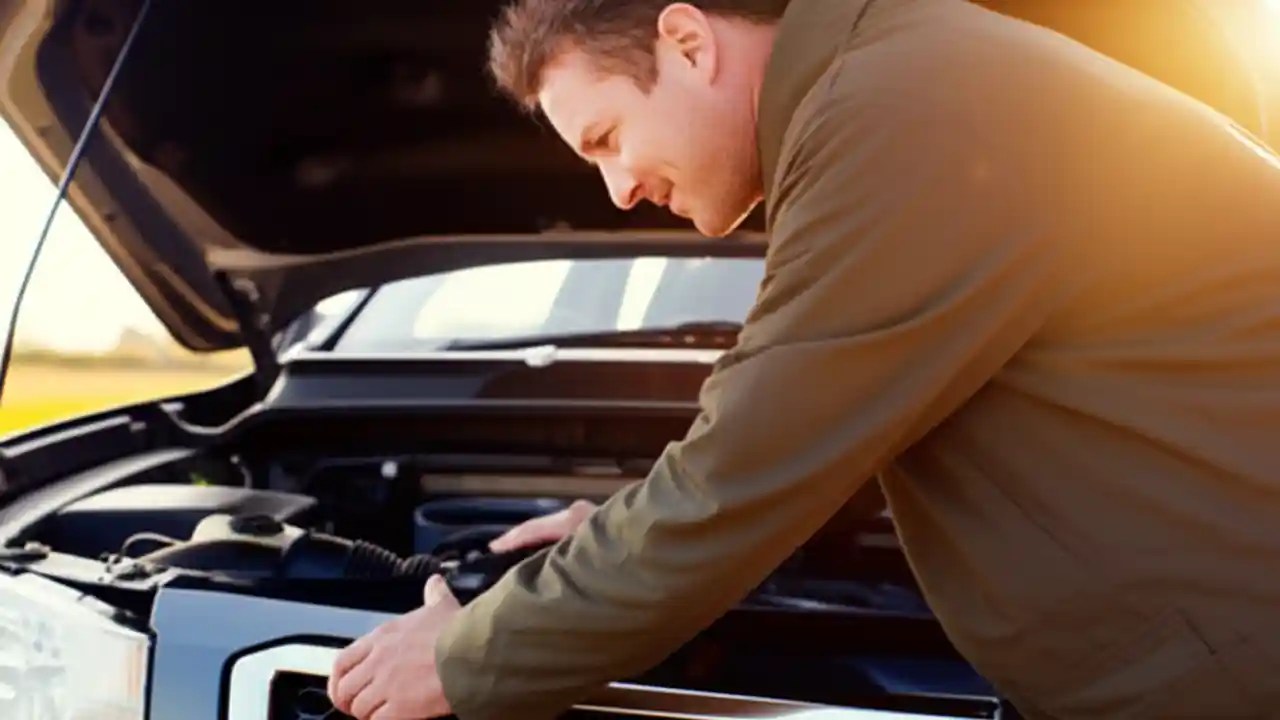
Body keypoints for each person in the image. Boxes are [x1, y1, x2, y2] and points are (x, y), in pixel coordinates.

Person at [327, 0, 1280, 718]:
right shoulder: (897, 76)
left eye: (609, 138)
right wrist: (617, 530)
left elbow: (748, 465)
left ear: (688, 43)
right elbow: (834, 443)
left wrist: (463, 657)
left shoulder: (901, 112)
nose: (616, 188)